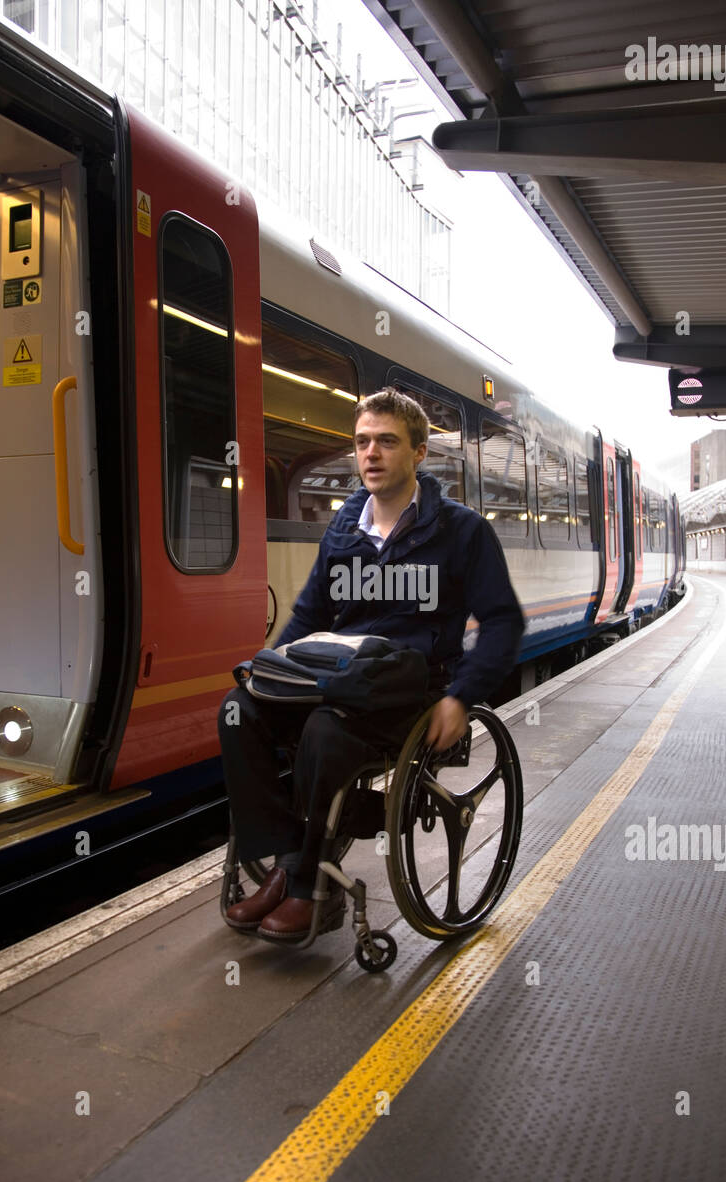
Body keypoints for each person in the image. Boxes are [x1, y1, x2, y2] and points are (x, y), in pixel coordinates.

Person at [218, 387, 525, 944]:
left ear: (419, 453)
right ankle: (287, 862)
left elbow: (504, 622)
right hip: (336, 679)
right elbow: (310, 614)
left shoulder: (462, 531)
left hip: (410, 691)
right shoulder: (343, 528)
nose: (371, 454)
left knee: (323, 733)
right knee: (239, 711)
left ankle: (312, 884)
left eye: (386, 441)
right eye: (362, 443)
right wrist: (274, 676)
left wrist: (460, 695)